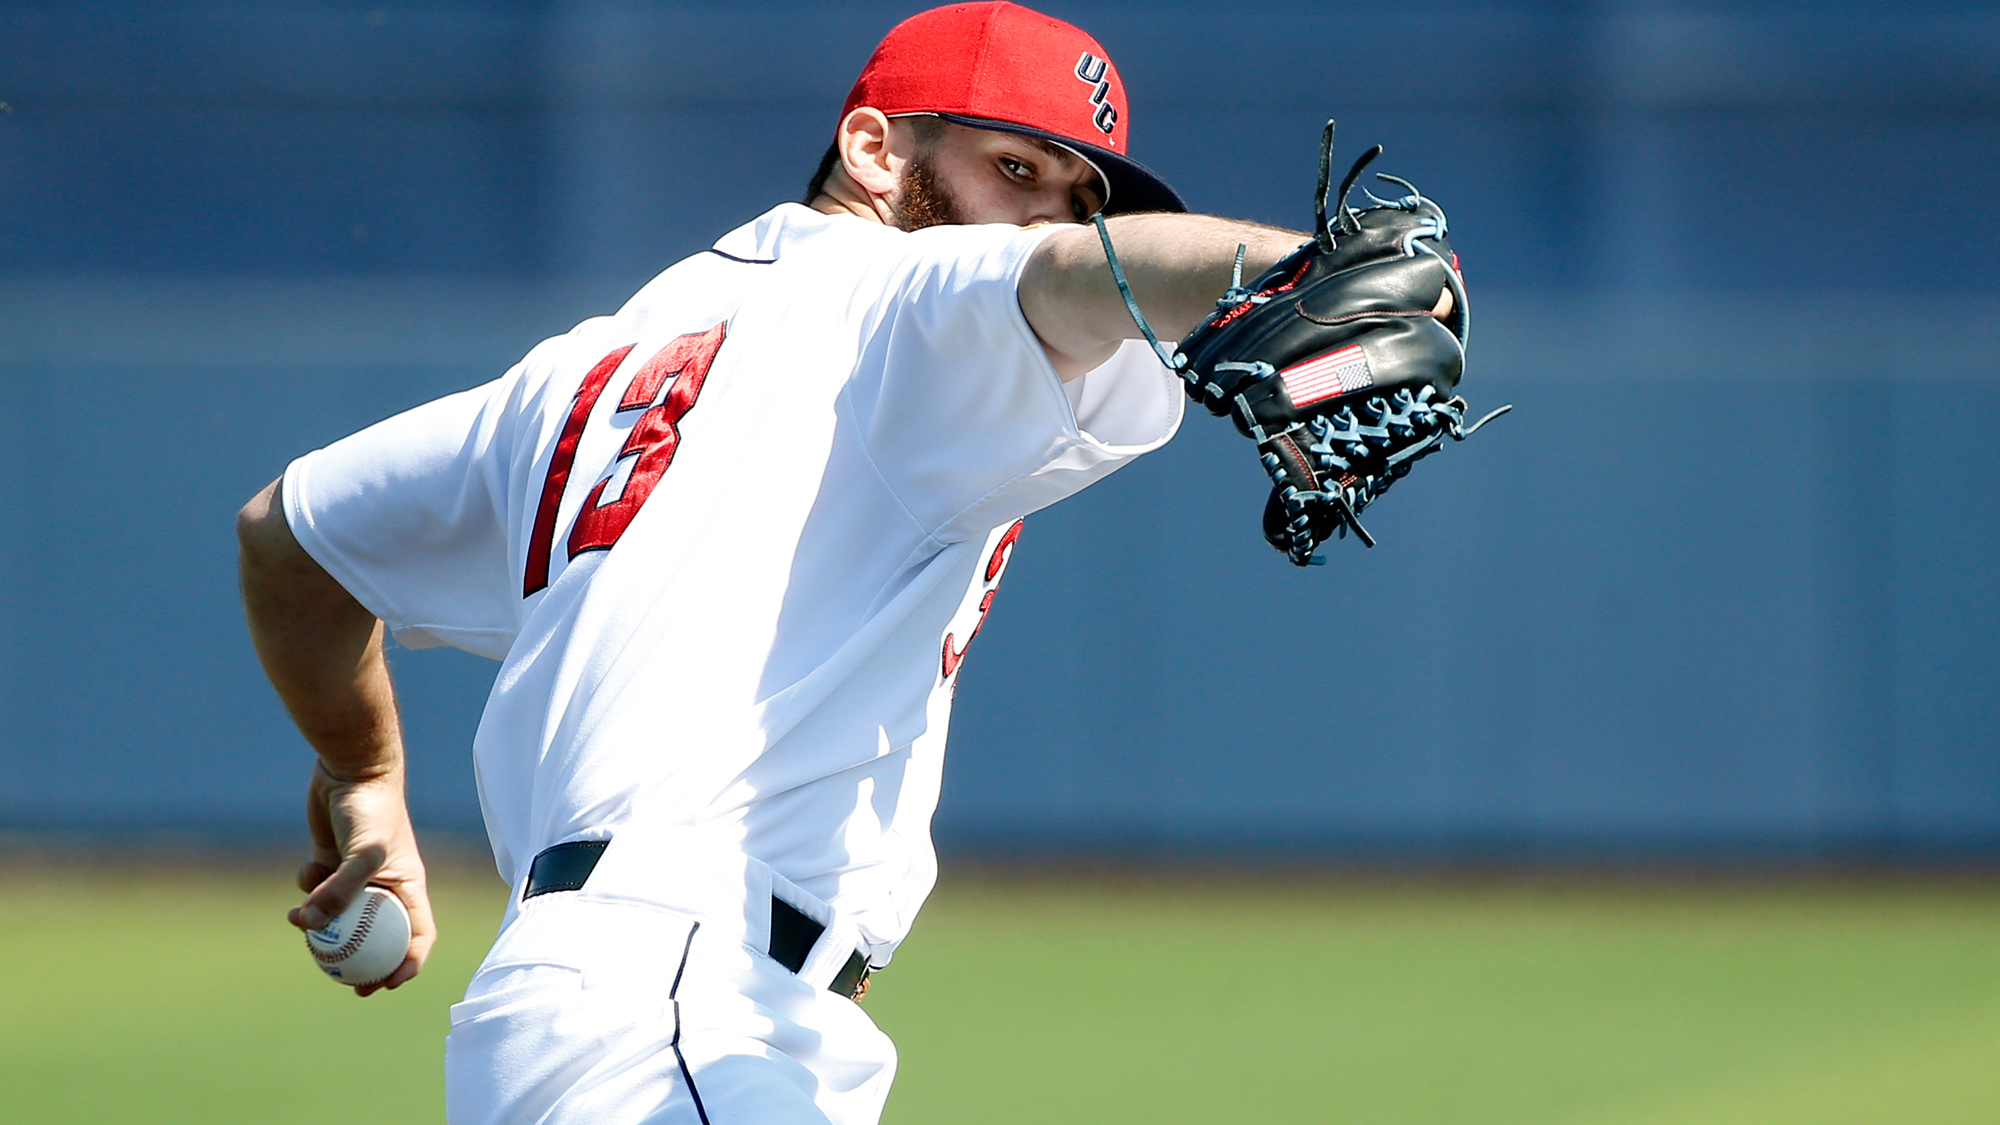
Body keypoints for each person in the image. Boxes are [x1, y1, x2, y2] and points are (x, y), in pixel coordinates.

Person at [237, 4, 1328, 1123]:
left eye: (1077, 194)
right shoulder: (890, 293)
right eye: (1015, 167)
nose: (1045, 212)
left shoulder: (582, 369)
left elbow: (287, 535)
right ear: (872, 150)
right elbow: (1070, 274)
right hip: (677, 1002)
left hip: (653, 1011)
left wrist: (361, 776)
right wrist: (1304, 273)